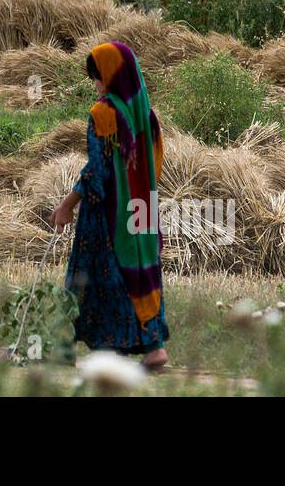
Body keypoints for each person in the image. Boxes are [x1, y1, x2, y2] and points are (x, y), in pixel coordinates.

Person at [51, 41, 170, 371]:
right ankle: (153, 348)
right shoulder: (145, 114)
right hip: (143, 207)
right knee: (141, 275)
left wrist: (67, 204)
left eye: (97, 76)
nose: (95, 84)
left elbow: (97, 172)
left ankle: (64, 347)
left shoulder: (104, 113)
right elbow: (153, 160)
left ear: (112, 76)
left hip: (110, 214)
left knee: (88, 277)